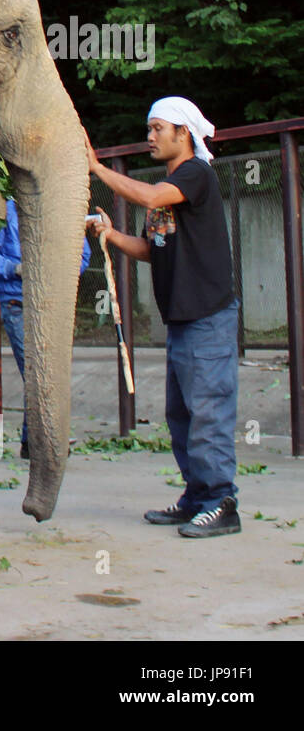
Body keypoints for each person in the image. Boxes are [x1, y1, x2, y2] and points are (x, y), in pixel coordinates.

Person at [86, 96, 240, 538]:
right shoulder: (168, 188)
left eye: (157, 129)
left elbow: (150, 196)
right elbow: (153, 250)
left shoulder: (195, 175)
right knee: (182, 416)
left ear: (182, 133)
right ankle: (197, 498)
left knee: (208, 413)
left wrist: (97, 169)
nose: (149, 136)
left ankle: (222, 503)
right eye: (149, 128)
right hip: (181, 319)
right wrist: (112, 236)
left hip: (208, 318)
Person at [0, 198, 92, 459]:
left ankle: (33, 441)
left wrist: (57, 272)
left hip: (52, 304)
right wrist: (15, 268)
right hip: (18, 301)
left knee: (43, 371)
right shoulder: (1, 210)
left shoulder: (58, 203)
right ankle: (46, 437)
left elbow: (82, 256)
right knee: (39, 371)